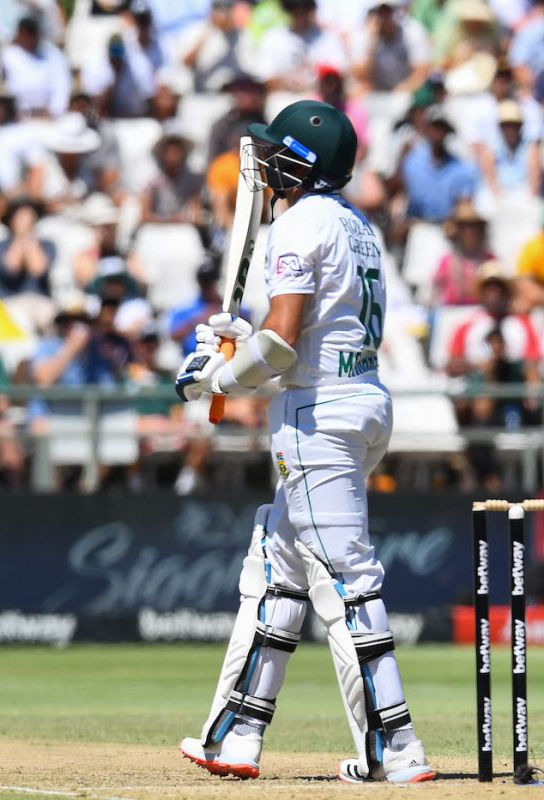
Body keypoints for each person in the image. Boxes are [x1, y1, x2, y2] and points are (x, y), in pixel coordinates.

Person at [174, 100, 435, 783]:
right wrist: (236, 347)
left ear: (299, 161)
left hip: (318, 417)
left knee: (348, 581)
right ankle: (234, 736)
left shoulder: (294, 225)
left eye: (274, 151)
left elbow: (284, 343)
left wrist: (213, 379)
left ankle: (396, 749)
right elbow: (292, 333)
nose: (261, 161)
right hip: (358, 403)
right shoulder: (355, 225)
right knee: (275, 570)